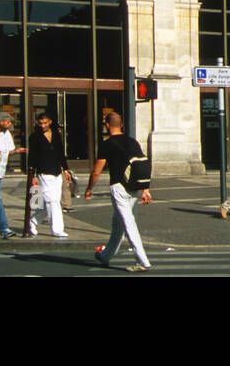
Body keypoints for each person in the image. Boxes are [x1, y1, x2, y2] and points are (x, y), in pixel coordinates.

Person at [84, 112, 152, 272]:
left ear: (107, 125)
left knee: (128, 224)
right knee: (118, 226)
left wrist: (89, 189)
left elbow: (96, 171)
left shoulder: (106, 144)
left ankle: (143, 261)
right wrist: (145, 189)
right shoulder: (132, 142)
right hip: (134, 186)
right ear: (121, 125)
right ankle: (105, 256)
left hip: (118, 186)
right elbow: (142, 164)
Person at [27, 110, 70, 237]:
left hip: (56, 170)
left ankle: (32, 222)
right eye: (40, 123)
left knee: (51, 201)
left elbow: (60, 153)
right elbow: (32, 156)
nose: (42, 126)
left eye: (45, 123)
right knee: (52, 200)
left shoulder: (56, 134)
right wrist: (32, 174)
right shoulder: (34, 136)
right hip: (43, 171)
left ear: (50, 122)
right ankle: (57, 229)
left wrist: (66, 169)